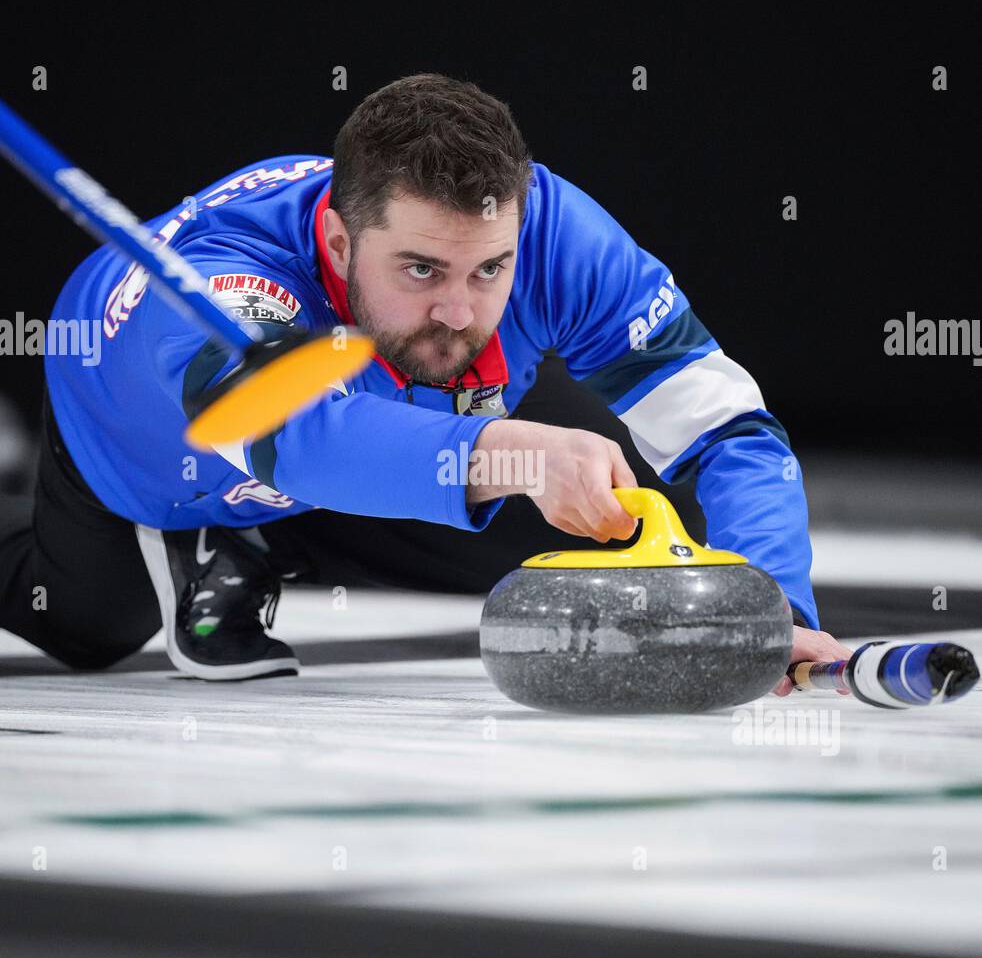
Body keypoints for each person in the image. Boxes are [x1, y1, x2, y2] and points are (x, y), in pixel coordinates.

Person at [0, 73, 849, 690]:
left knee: (665, 524)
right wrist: (509, 454)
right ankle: (210, 537)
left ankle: (267, 546)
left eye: (490, 270)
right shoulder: (223, 279)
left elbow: (726, 425)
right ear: (336, 243)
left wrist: (772, 609)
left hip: (409, 418)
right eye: (421, 269)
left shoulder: (556, 239)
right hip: (150, 460)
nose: (456, 310)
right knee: (89, 627)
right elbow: (288, 436)